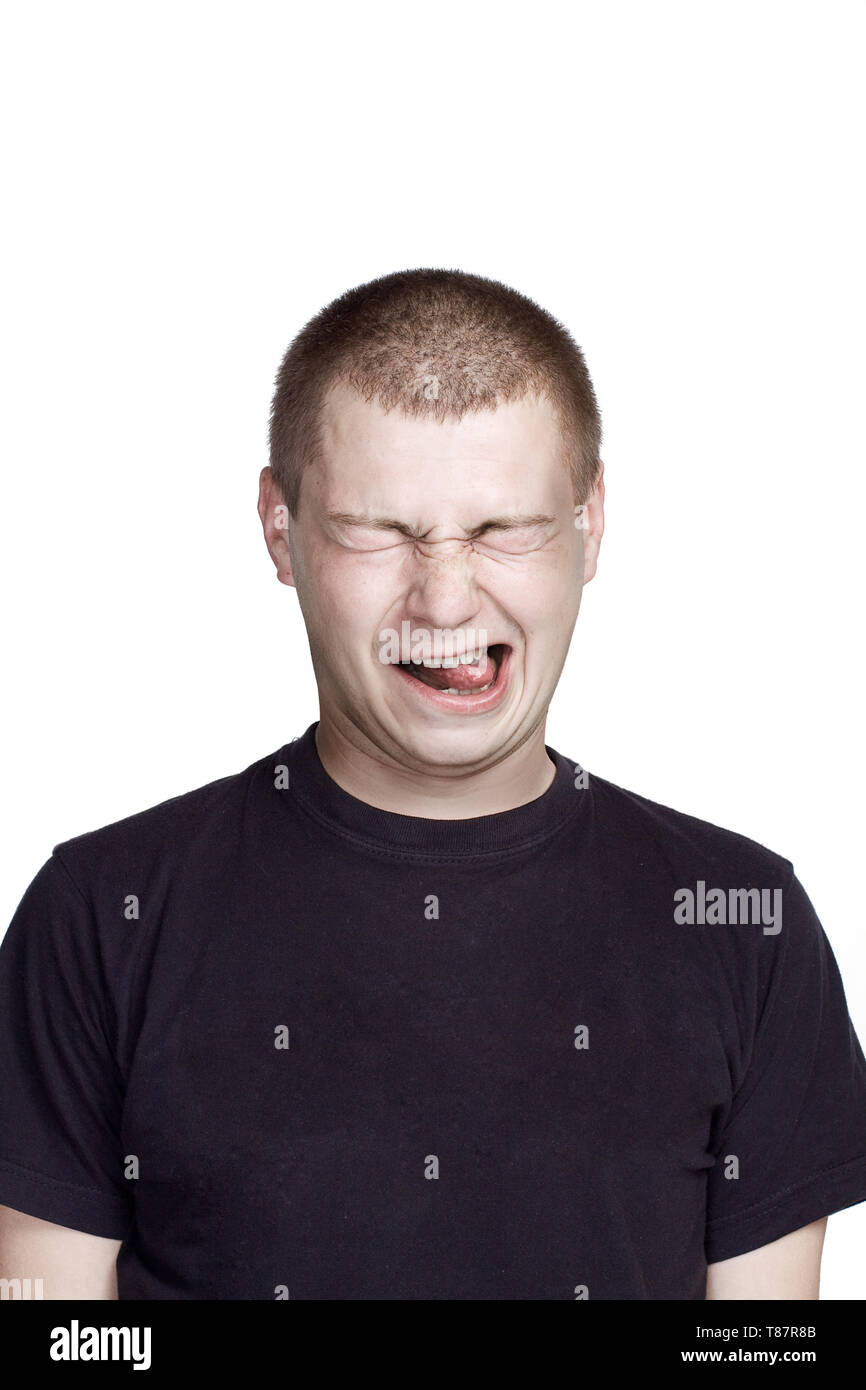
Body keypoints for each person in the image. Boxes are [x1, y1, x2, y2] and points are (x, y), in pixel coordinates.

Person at [1, 267, 865, 1301]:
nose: (446, 595)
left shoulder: (743, 924)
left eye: (503, 528)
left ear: (590, 521)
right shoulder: (100, 914)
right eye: (383, 529)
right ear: (280, 527)